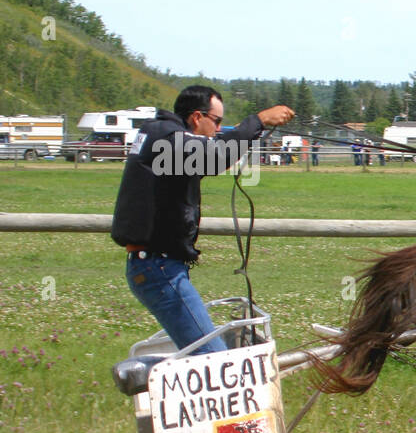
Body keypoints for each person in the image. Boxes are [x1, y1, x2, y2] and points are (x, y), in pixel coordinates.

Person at [111, 85, 294, 355]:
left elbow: (211, 154)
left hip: (158, 267)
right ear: (197, 117)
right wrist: (259, 121)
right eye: (217, 121)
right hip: (158, 269)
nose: (219, 130)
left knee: (202, 356)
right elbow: (214, 157)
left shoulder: (162, 136)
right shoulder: (167, 139)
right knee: (213, 359)